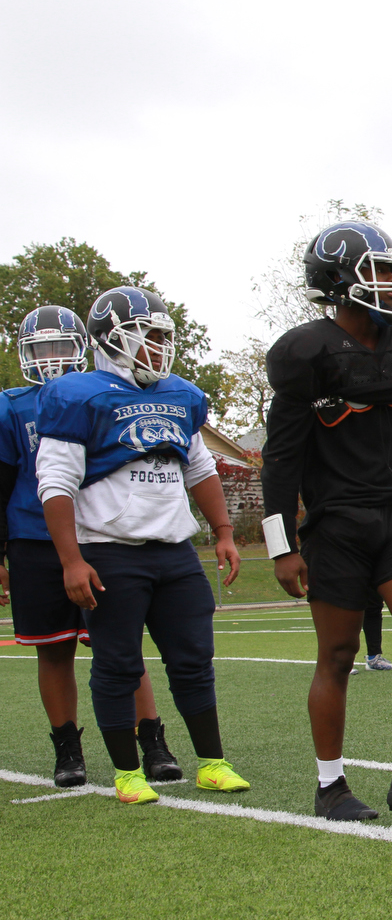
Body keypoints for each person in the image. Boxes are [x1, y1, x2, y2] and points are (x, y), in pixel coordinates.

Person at [260, 221, 392, 822]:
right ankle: (331, 786)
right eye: (381, 270)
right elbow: (282, 454)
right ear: (339, 279)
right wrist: (280, 543)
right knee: (339, 653)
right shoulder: (304, 352)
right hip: (336, 521)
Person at [35, 287, 249, 805]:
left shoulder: (180, 394)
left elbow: (200, 467)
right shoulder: (77, 394)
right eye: (146, 336)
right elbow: (55, 482)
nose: (157, 346)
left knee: (194, 658)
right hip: (110, 549)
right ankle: (128, 773)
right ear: (111, 338)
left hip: (175, 548)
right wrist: (71, 559)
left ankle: (212, 763)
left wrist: (222, 531)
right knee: (117, 662)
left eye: (161, 336)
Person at [0, 305, 181, 787]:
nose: (52, 359)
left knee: (122, 648)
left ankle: (153, 740)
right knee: (53, 651)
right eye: (42, 349)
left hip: (101, 538)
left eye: (63, 346)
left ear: (87, 346)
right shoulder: (12, 405)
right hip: (35, 541)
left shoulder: (106, 395)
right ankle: (68, 750)